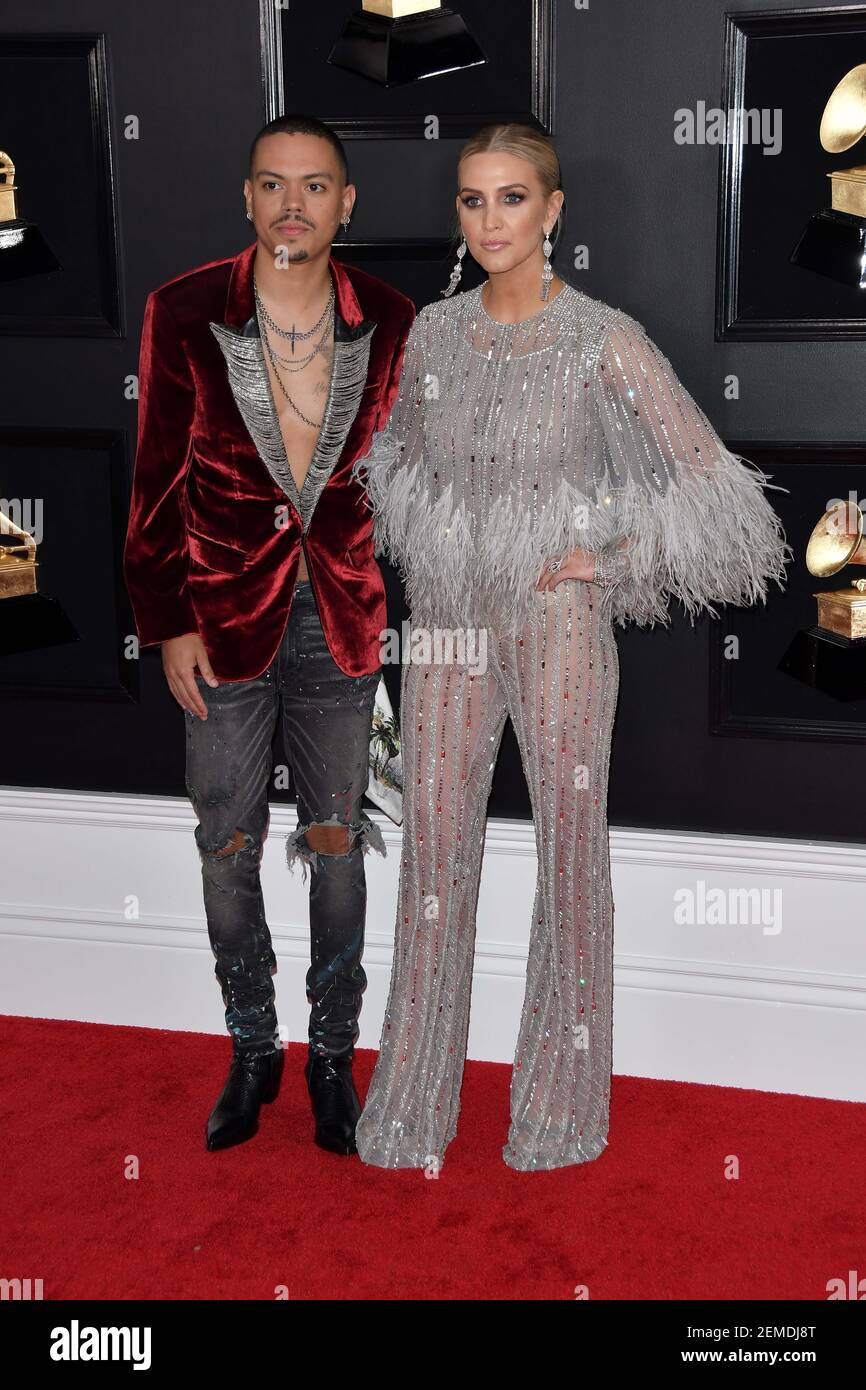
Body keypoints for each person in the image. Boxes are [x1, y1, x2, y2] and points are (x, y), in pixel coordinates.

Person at [350, 122, 791, 1172]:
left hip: (559, 628)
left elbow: (720, 496)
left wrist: (608, 557)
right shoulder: (433, 335)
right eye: (472, 200)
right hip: (448, 623)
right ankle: (411, 1104)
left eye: (512, 198)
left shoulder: (604, 339)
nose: (490, 220)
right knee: (432, 853)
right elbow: (397, 469)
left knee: (570, 851)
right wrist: (445, 548)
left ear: (553, 210)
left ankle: (556, 1107)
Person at [123, 114, 415, 1155]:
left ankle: (333, 1057)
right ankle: (254, 1049)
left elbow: (412, 480)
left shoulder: (392, 318)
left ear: (346, 202)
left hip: (341, 618)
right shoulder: (184, 308)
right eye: (273, 184)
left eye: (315, 185)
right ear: (247, 197)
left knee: (338, 845)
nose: (294, 204)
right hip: (219, 621)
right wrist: (166, 622)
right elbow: (154, 481)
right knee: (226, 844)